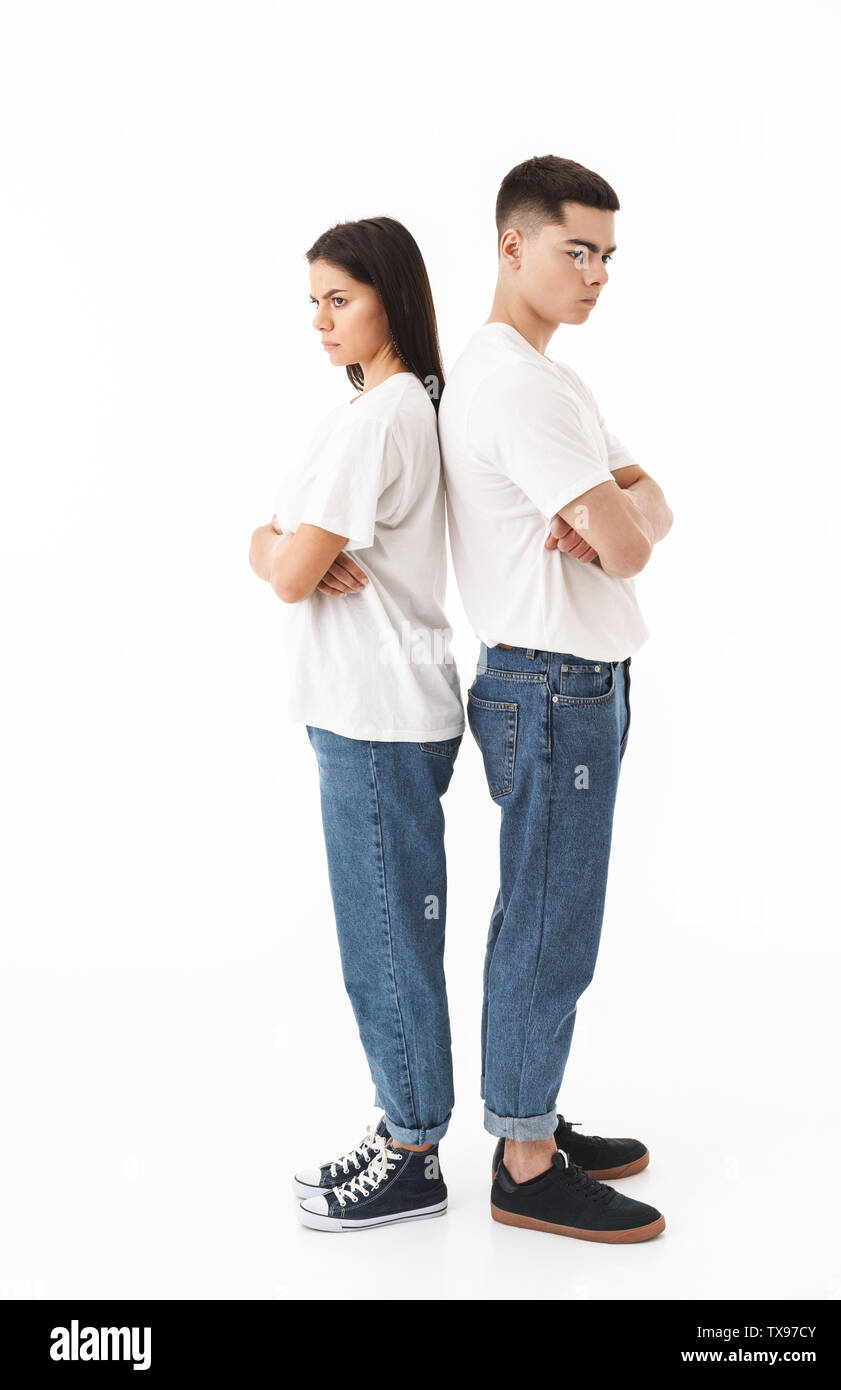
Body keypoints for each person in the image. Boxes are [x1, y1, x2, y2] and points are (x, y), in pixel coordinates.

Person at [437, 154, 674, 1243]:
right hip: (551, 685)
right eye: (577, 251)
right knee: (547, 922)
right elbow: (628, 547)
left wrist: (627, 514)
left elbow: (651, 505)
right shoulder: (517, 387)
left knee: (546, 912)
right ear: (512, 245)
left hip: (568, 682)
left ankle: (525, 1116)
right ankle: (525, 1165)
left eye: (607, 257)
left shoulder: (549, 379)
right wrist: (622, 522)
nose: (596, 275)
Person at [248, 217, 464, 1232]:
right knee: (386, 936)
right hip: (374, 709)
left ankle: (412, 1150)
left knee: (384, 943)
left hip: (376, 715)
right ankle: (401, 1128)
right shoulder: (385, 408)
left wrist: (279, 547)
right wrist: (277, 544)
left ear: (390, 296)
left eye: (340, 299)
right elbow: (272, 545)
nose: (321, 321)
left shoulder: (383, 415)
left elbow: (286, 568)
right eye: (314, 303)